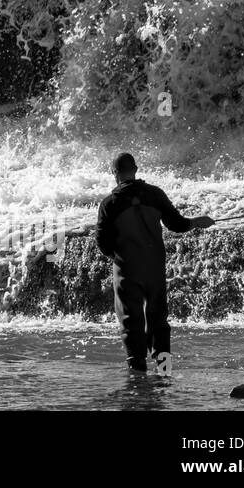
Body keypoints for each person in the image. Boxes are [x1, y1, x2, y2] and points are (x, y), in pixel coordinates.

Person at [95, 152, 214, 375]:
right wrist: (197, 222)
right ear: (136, 169)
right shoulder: (155, 194)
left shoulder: (109, 204)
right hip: (155, 268)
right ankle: (165, 372)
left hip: (127, 270)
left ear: (115, 174)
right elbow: (177, 224)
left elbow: (102, 242)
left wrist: (120, 258)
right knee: (159, 321)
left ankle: (137, 374)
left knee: (131, 321)